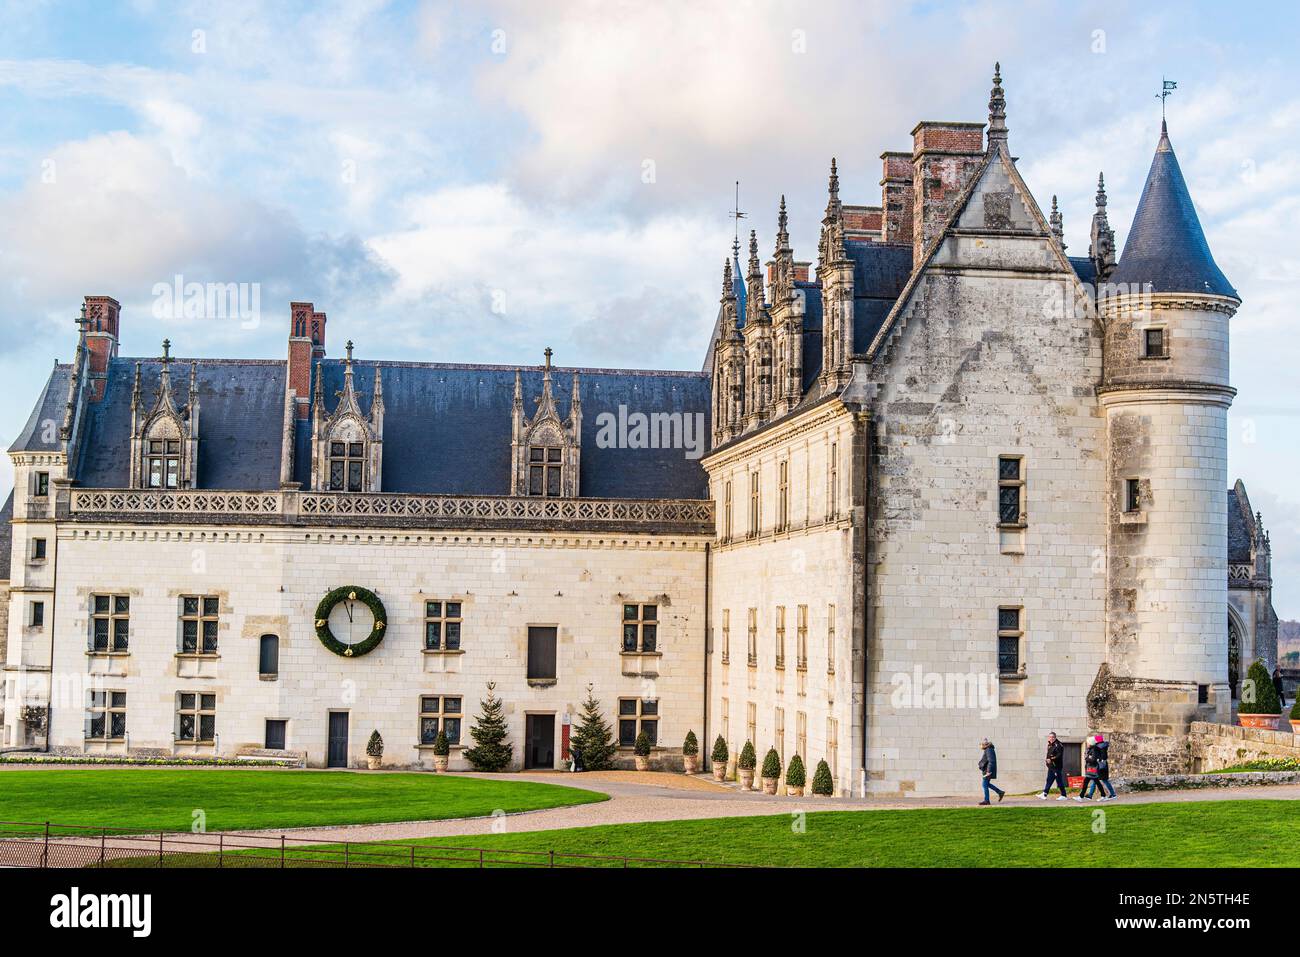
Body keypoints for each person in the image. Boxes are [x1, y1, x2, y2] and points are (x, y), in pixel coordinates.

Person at [1038, 731, 1069, 800]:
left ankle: (1064, 795)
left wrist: (1051, 759)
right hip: (1051, 766)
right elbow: (1048, 754)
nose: (1051, 738)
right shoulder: (1050, 744)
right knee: (1049, 779)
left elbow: (1059, 755)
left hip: (1056, 766)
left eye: (1052, 737)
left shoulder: (1058, 745)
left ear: (1055, 737)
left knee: (1059, 781)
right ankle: (1044, 794)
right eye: (1050, 737)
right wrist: (1048, 760)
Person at [978, 738, 1004, 805]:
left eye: (981, 744)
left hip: (987, 771)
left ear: (984, 744)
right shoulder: (988, 749)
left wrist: (988, 771)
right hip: (987, 771)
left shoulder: (989, 750)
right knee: (986, 784)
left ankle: (987, 800)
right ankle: (1000, 792)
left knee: (984, 784)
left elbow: (991, 761)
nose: (980, 746)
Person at [1091, 734, 1116, 800]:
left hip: (1100, 766)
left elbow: (1103, 756)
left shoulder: (1099, 747)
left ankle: (1110, 795)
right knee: (1100, 780)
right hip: (1103, 765)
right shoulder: (1102, 746)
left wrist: (1098, 759)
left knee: (1102, 780)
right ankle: (1112, 794)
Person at [1074, 736, 1099, 802]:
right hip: (1090, 769)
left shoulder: (1093, 750)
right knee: (1096, 783)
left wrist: (1086, 758)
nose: (1087, 744)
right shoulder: (1091, 749)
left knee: (1086, 783)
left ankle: (1081, 796)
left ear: (1091, 743)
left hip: (1092, 769)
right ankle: (1103, 795)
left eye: (1088, 743)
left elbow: (1093, 760)